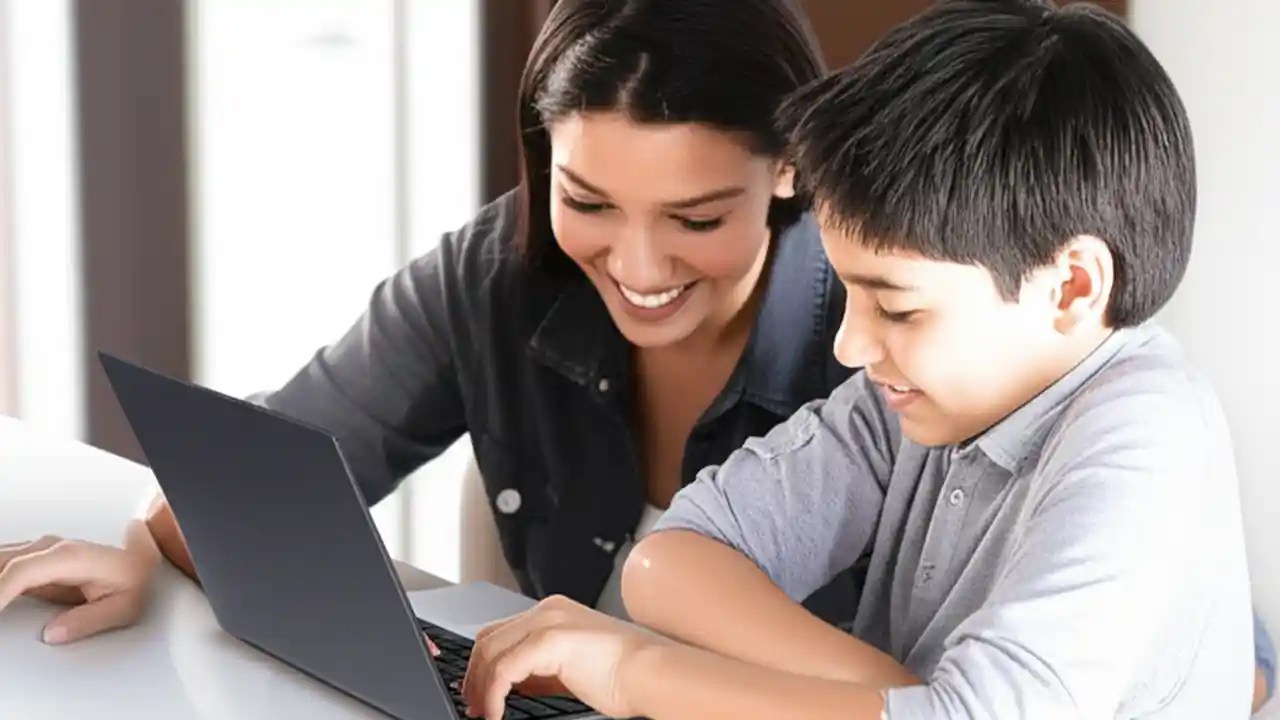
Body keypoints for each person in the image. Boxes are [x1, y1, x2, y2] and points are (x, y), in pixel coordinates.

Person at [452, 2, 1259, 718]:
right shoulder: (911, 398)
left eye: (897, 306)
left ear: (1071, 285)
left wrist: (636, 676)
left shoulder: (1145, 431)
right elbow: (673, 560)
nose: (850, 343)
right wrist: (905, 696)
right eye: (851, 295)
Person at [0, 0, 860, 640]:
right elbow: (271, 460)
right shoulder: (498, 273)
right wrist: (141, 549)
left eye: (696, 219)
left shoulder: (884, 339)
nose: (637, 269)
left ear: (789, 167)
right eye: (586, 201)